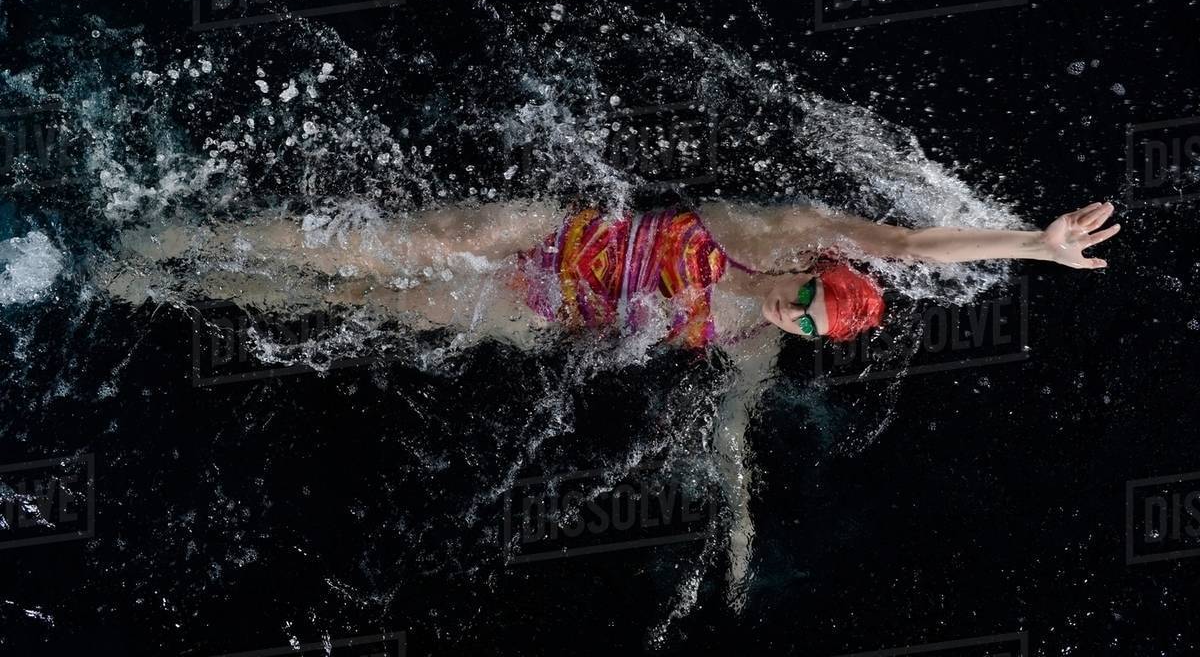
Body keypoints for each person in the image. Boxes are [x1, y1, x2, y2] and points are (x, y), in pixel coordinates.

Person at [103, 197, 1121, 607]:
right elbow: (902, 248)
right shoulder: (778, 233)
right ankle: (164, 230)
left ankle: (155, 283)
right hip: (543, 230)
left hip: (541, 300)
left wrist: (740, 522)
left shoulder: (758, 337)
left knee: (378, 305)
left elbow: (731, 429)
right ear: (815, 264)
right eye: (807, 298)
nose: (794, 312)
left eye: (809, 323)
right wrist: (1032, 243)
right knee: (365, 244)